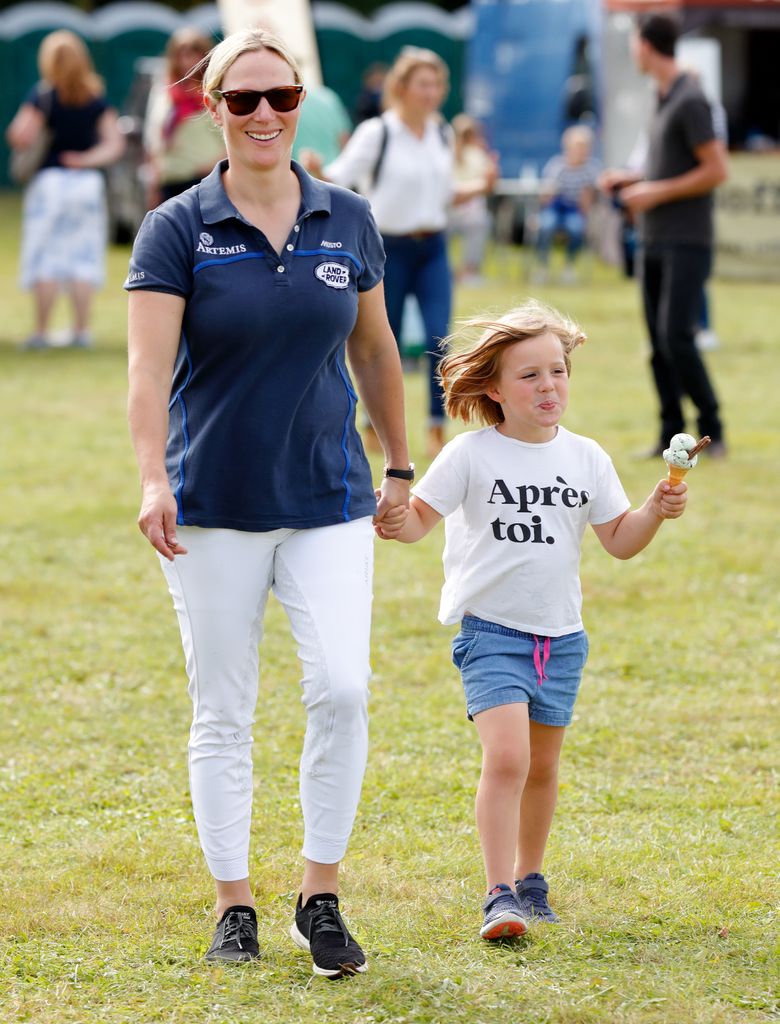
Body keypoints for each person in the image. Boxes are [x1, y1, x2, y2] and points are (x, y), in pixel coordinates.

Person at [125, 27, 411, 978]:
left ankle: (319, 895)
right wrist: (152, 477)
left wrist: (401, 464)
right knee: (224, 709)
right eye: (242, 99)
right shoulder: (176, 227)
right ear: (212, 109)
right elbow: (146, 367)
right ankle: (233, 904)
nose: (263, 116)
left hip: (329, 497)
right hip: (210, 502)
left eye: (279, 98)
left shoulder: (347, 217)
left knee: (343, 689)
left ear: (300, 104)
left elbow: (374, 349)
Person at [377, 300, 688, 939]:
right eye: (530, 376)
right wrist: (390, 512)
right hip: (492, 632)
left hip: (563, 639)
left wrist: (655, 507)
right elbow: (414, 527)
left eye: (558, 372)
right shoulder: (469, 456)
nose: (549, 386)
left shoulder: (587, 457)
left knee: (543, 769)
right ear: (492, 387)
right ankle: (498, 894)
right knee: (509, 759)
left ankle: (531, 877)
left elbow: (620, 541)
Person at [302, 47, 496, 457]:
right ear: (402, 88)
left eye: (438, 84)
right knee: (377, 340)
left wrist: (481, 187)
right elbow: (339, 179)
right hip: (387, 251)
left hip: (434, 248)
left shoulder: (442, 133)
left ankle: (435, 426)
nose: (432, 92)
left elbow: (444, 194)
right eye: (423, 84)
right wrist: (316, 170)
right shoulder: (378, 132)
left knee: (437, 337)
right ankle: (372, 423)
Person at [599, 13, 728, 458]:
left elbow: (716, 169)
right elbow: (665, 167)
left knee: (677, 337)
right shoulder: (662, 97)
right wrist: (630, 178)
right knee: (657, 343)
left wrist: (653, 191)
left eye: (634, 43)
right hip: (654, 237)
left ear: (647, 45)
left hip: (686, 237)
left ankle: (713, 429)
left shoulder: (691, 100)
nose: (633, 51)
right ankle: (670, 433)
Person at [6, 29, 124, 349]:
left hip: (50, 183)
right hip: (86, 183)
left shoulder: (43, 95)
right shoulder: (95, 98)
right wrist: (85, 159)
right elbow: (114, 143)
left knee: (46, 256)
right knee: (83, 257)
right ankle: (81, 331)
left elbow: (19, 135)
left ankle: (41, 332)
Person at [143, 27, 226, 207]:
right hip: (170, 178)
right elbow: (153, 138)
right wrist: (154, 181)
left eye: (193, 50)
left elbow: (230, 134)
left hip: (204, 179)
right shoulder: (165, 93)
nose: (186, 57)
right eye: (180, 51)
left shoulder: (215, 91)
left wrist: (214, 166)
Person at [533, 124, 599, 283]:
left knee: (576, 228)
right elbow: (545, 194)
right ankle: (543, 267)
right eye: (578, 146)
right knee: (545, 226)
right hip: (554, 207)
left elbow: (590, 199)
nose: (581, 151)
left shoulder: (592, 168)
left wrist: (587, 206)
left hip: (575, 210)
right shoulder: (556, 165)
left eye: (584, 147)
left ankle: (568, 267)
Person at [448, 114, 498, 286]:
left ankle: (465, 271)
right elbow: (489, 183)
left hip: (460, 209)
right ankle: (466, 271)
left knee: (478, 223)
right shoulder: (472, 154)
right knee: (478, 223)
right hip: (455, 208)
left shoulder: (474, 154)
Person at [292, 83, 352, 167]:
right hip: (334, 174)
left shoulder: (284, 102)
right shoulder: (328, 95)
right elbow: (344, 139)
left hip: (300, 175)